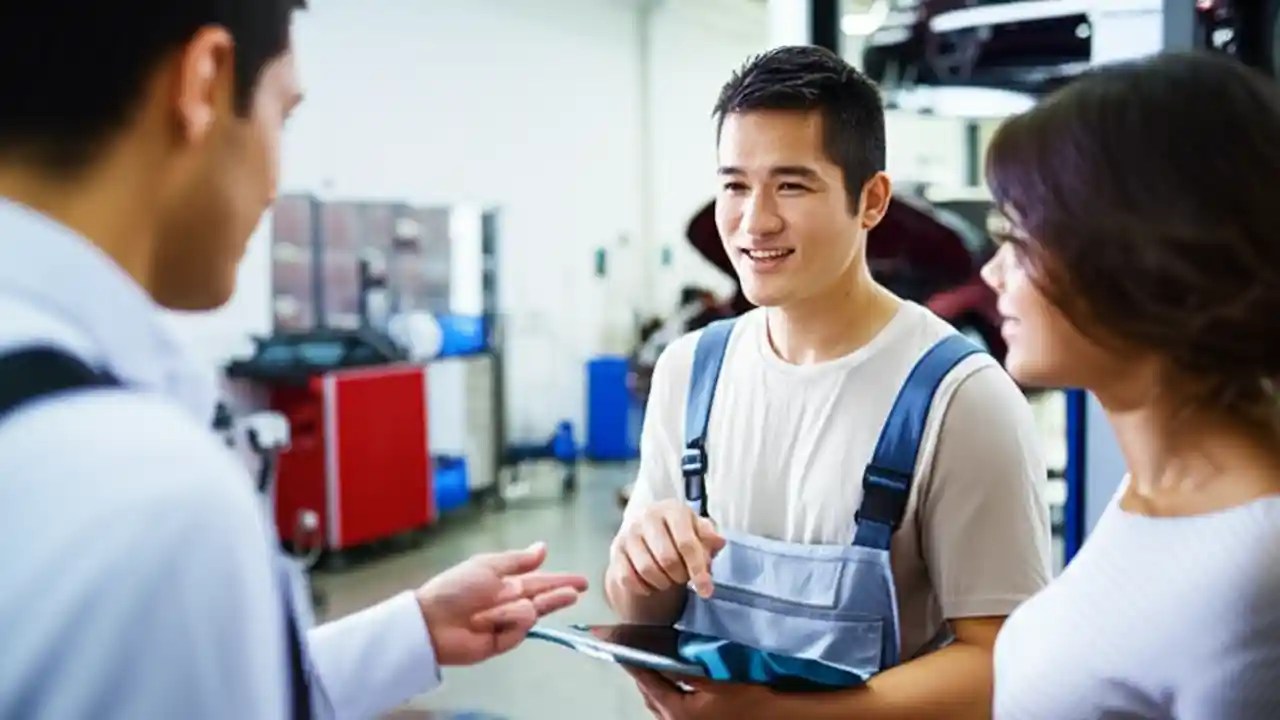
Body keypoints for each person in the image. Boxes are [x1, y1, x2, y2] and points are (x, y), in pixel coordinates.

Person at [0, 3, 586, 719]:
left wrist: (411, 632)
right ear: (205, 82)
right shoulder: (147, 503)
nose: (276, 182)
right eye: (285, 114)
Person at [606, 46, 1051, 719]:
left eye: (791, 185)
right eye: (734, 185)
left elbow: (1000, 661)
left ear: (871, 200)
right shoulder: (690, 371)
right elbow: (642, 606)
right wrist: (641, 568)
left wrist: (782, 717)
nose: (755, 221)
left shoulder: (960, 399)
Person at [980, 51, 1280, 719]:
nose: (994, 276)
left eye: (1020, 240)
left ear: (1134, 254)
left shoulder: (1255, 572)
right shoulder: (1150, 492)